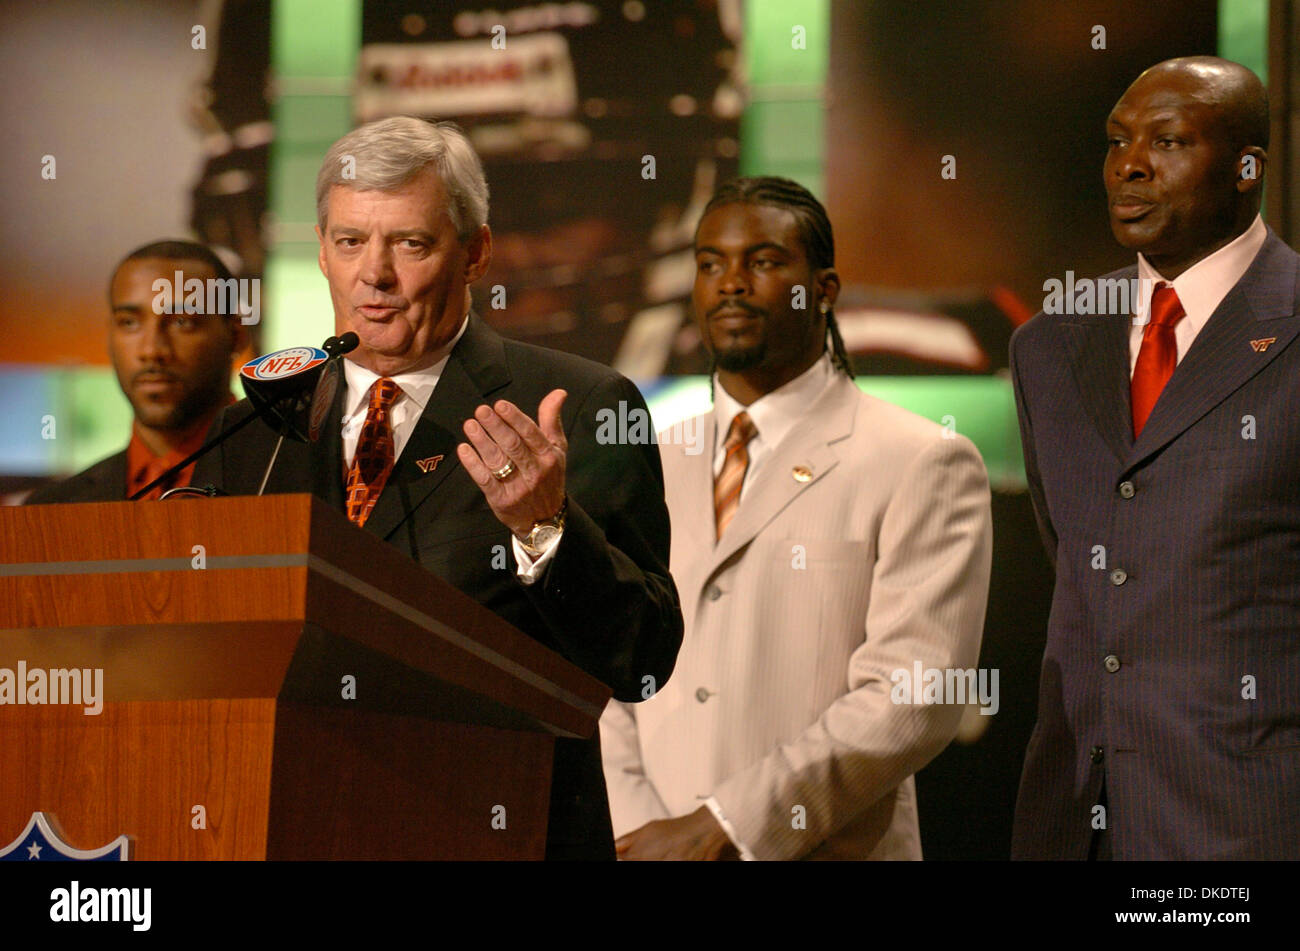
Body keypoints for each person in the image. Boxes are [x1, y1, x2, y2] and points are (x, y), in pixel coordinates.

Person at [192, 116, 683, 860]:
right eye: (351, 241)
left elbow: (643, 657)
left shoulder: (578, 404)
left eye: (411, 243)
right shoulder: (252, 435)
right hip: (285, 823)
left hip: (497, 827)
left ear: (476, 252)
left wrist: (545, 529)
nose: (375, 274)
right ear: (321, 251)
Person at [600, 176, 993, 860]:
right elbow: (608, 679)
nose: (730, 283)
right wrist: (640, 835)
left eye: (763, 261)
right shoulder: (650, 460)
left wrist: (725, 827)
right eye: (710, 264)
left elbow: (912, 696)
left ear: (826, 287)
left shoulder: (922, 460)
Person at [1010, 57, 1300, 859]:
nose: (1129, 164)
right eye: (1116, 141)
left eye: (1167, 141)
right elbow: (1081, 561)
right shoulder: (1047, 344)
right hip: (1073, 822)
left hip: (1250, 828)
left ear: (1248, 169)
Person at [27, 240, 247, 504]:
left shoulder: (293, 479)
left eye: (182, 322)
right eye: (129, 323)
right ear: (109, 334)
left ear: (235, 336)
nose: (151, 350)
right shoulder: (51, 510)